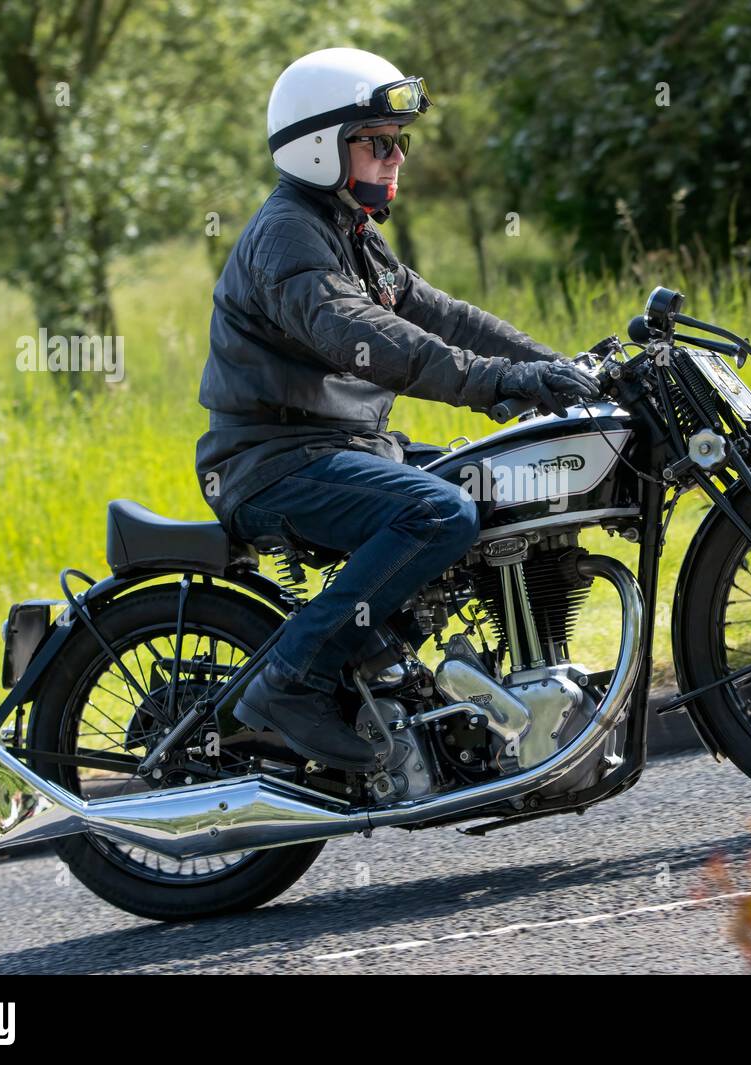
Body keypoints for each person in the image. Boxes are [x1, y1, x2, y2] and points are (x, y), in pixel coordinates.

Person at [195, 47, 600, 771]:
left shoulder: (350, 233)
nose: (396, 157)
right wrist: (495, 380)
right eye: (377, 142)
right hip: (274, 463)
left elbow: (444, 316)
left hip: (340, 449)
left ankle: (412, 674)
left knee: (499, 483)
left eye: (399, 142)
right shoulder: (289, 235)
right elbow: (371, 341)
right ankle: (292, 681)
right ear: (321, 147)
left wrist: (556, 371)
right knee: (440, 512)